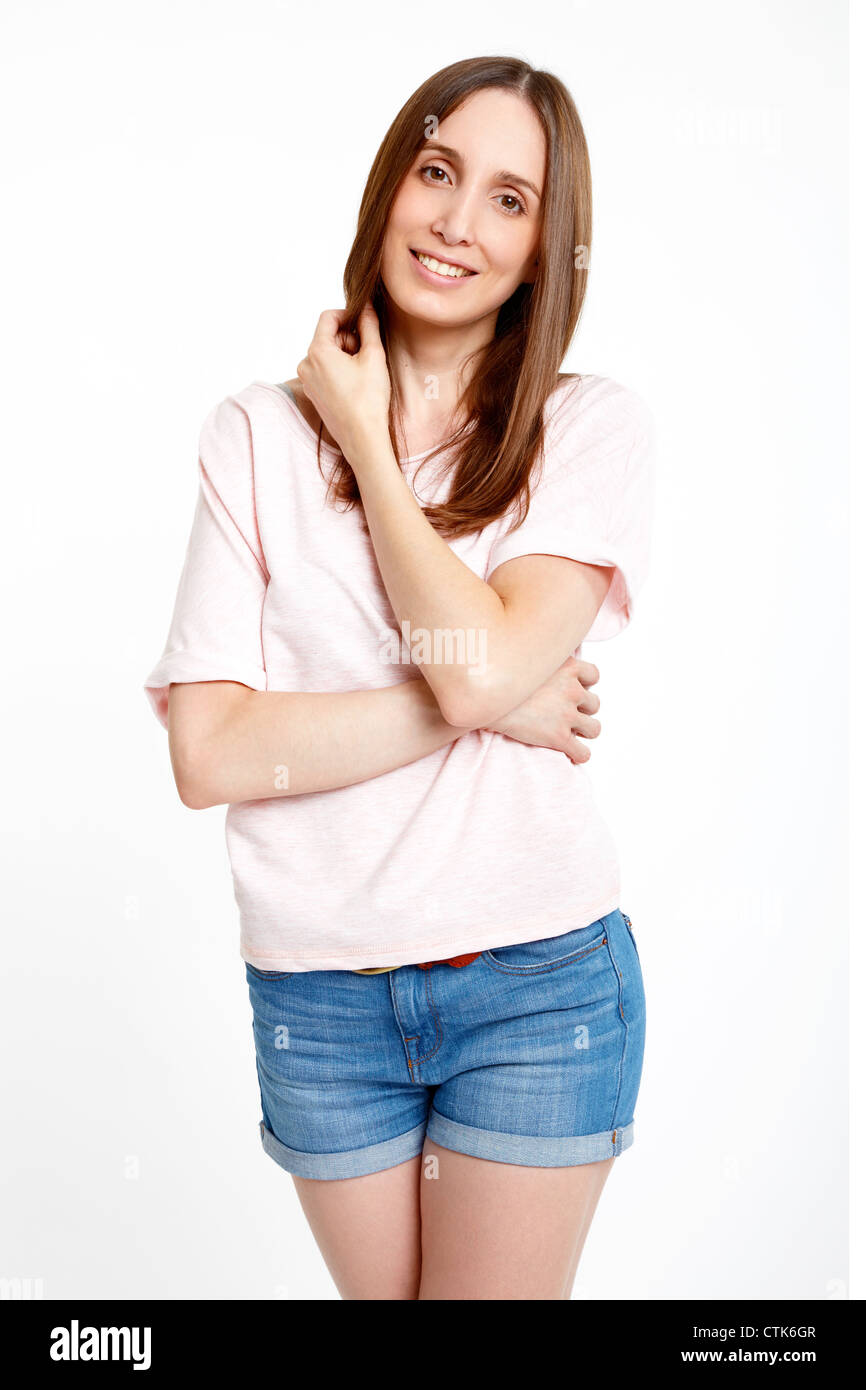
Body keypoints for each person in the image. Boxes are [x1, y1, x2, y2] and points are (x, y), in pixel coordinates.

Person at [143, 55, 655, 1300]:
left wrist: (368, 440)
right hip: (318, 997)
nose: (455, 223)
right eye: (436, 173)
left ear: (542, 251)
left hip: (534, 984)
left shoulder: (583, 429)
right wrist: (477, 702)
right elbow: (209, 754)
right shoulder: (254, 435)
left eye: (508, 200)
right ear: (389, 187)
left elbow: (474, 670)